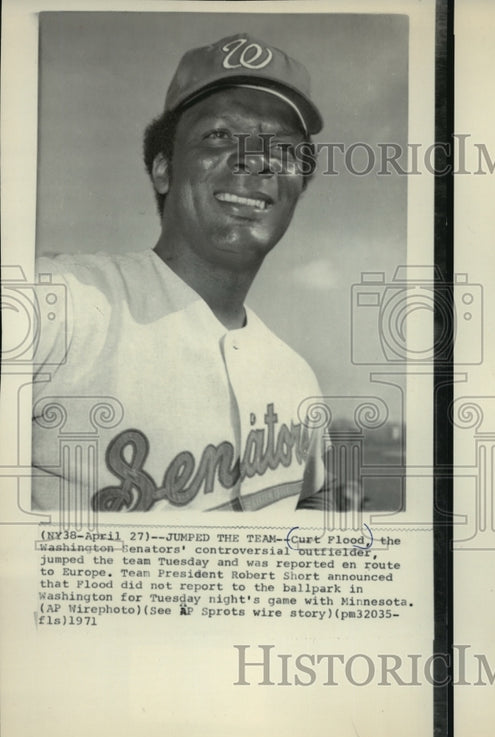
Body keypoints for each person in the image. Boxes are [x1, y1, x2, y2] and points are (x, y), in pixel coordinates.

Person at [32, 33, 333, 513]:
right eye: (218, 135)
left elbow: (317, 501)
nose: (255, 160)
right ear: (162, 170)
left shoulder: (297, 378)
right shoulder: (63, 304)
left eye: (281, 149)